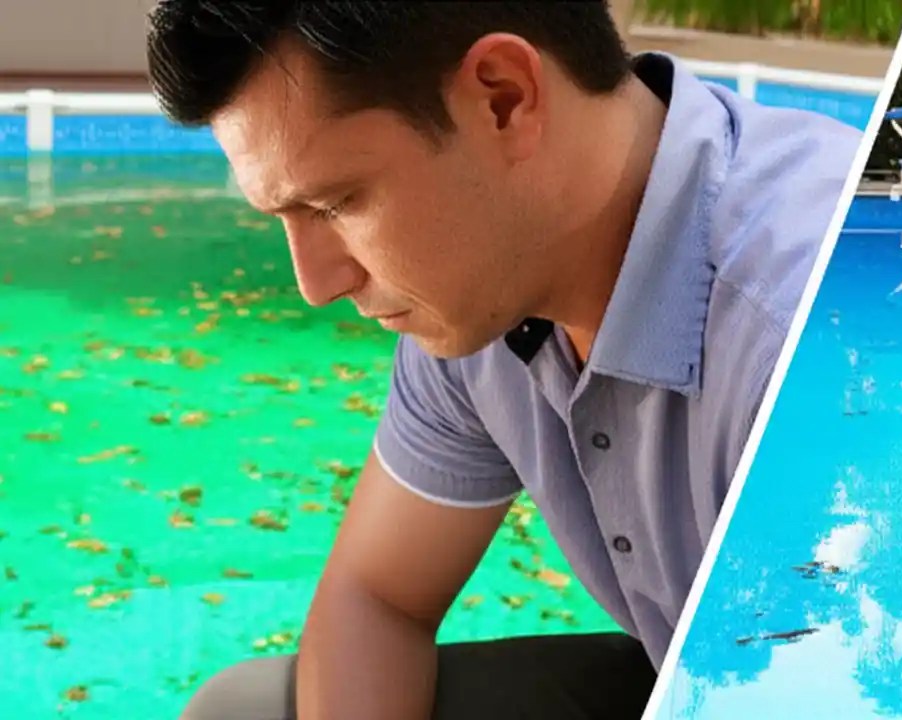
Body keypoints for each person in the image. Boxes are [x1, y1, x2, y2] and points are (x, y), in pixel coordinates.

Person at [144, 1, 863, 718]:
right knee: (247, 709)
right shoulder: (485, 287)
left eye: (336, 205)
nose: (316, 284)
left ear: (504, 98)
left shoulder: (811, 340)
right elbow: (379, 598)